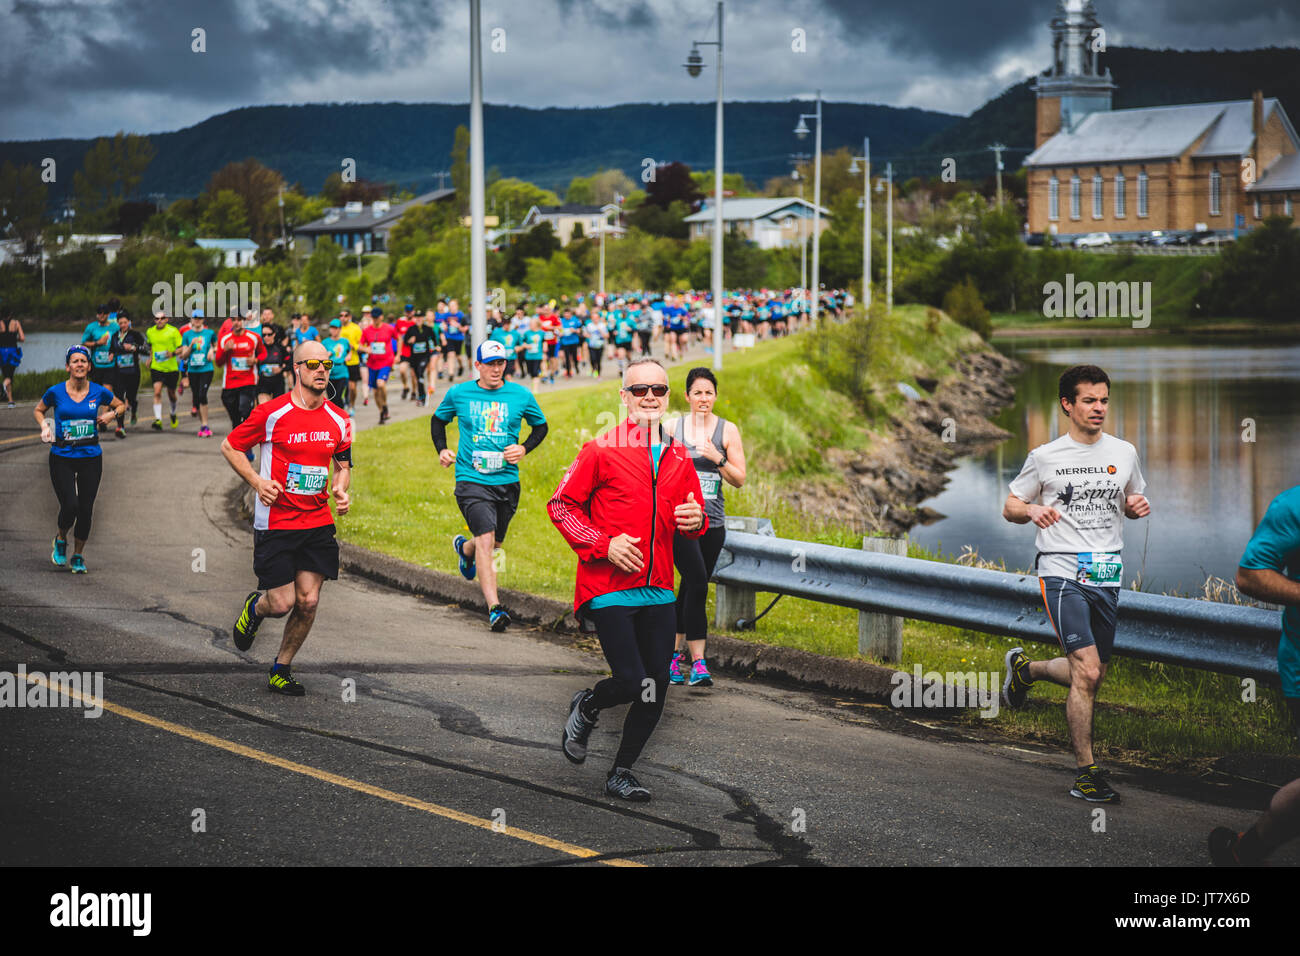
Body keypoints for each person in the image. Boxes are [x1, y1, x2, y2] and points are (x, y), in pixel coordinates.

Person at [550, 358, 707, 802]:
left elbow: (691, 517)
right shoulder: (600, 449)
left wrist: (694, 521)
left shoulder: (678, 454)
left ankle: (621, 772)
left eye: (659, 390)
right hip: (608, 585)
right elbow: (561, 506)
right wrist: (604, 544)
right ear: (625, 397)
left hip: (658, 586)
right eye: (640, 390)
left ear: (668, 396)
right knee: (633, 680)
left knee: (656, 684)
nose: (650, 397)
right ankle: (589, 704)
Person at [1000, 364, 1150, 804]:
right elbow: (1011, 504)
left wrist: (1136, 506)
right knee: (1086, 669)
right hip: (1060, 571)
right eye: (1089, 400)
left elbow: (1131, 498)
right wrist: (1030, 512)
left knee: (1094, 673)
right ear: (1067, 404)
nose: (1099, 408)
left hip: (1106, 571)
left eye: (1104, 400)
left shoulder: (1124, 452)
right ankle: (1087, 773)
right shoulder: (1046, 456)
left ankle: (1026, 671)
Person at [223, 341, 352, 696]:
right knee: (282, 603)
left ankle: (282, 667)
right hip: (276, 523)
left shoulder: (339, 419)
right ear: (296, 368)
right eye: (313, 364)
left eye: (326, 363)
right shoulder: (272, 413)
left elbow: (343, 464)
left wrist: (341, 488)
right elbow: (230, 446)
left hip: (317, 523)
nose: (321, 370)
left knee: (308, 602)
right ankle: (256, 607)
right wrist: (257, 481)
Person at [431, 340, 548, 631]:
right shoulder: (460, 393)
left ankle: (465, 549)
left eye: (500, 363)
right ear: (478, 366)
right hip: (471, 478)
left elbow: (541, 427)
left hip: (507, 481)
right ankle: (495, 608)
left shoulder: (520, 395)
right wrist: (442, 450)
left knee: (493, 542)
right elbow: (438, 420)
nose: (496, 369)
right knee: (486, 538)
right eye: (490, 364)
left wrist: (523, 449)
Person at [668, 368, 747, 687]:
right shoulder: (673, 427)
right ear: (687, 396)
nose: (704, 398)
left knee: (689, 587)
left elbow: (740, 479)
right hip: (683, 523)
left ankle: (672, 658)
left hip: (713, 523)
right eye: (697, 393)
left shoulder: (727, 431)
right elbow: (656, 467)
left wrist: (718, 459)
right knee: (698, 583)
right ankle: (699, 663)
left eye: (709, 393)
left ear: (715, 396)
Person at [34, 346, 126, 574]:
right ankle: (61, 537)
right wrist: (45, 425)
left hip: (90, 456)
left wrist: (110, 414)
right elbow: (39, 410)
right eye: (75, 361)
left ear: (89, 366)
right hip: (62, 456)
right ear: (67, 366)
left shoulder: (99, 391)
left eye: (83, 361)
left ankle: (78, 555)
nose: (79, 364)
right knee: (70, 505)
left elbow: (121, 405)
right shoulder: (55, 392)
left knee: (85, 509)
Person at [214, 311, 266, 446]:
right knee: (235, 417)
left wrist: (255, 360)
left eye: (239, 319)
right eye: (234, 320)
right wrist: (225, 350)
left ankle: (246, 443)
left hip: (248, 381)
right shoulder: (225, 339)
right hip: (230, 383)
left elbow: (263, 353)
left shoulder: (254, 337)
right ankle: (240, 442)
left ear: (244, 321)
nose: (236, 322)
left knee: (245, 409)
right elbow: (219, 363)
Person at [143, 311, 184, 431]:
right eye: (157, 319)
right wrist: (150, 359)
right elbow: (151, 347)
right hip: (157, 367)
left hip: (171, 368)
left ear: (167, 319)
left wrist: (172, 353)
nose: (159, 321)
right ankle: (158, 419)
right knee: (157, 392)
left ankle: (173, 412)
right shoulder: (150, 332)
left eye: (162, 318)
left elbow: (181, 349)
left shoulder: (173, 331)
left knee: (171, 394)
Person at [108, 310, 147, 437]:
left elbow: (146, 350)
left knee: (131, 397)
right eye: (120, 323)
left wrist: (134, 348)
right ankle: (120, 427)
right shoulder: (114, 336)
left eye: (125, 322)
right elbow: (112, 349)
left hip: (133, 372)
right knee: (119, 399)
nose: (123, 325)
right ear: (117, 323)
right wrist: (111, 354)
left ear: (129, 322)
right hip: (118, 372)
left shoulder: (135, 335)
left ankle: (134, 409)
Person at [360, 307, 399, 424]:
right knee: (376, 392)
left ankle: (385, 405)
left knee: (380, 383)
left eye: (377, 317)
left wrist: (398, 355)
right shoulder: (367, 331)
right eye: (373, 317)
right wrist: (366, 349)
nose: (375, 320)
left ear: (381, 317)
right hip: (372, 363)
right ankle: (382, 412)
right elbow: (360, 345)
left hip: (386, 361)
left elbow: (399, 338)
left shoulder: (388, 328)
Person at [180, 314, 217, 437]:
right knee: (197, 397)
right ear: (191, 320)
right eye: (195, 318)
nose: (197, 320)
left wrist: (212, 350)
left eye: (199, 318)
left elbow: (216, 345)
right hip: (193, 370)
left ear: (203, 320)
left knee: (202, 395)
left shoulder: (209, 333)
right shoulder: (187, 335)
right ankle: (203, 425)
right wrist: (191, 345)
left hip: (206, 369)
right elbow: (184, 355)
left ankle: (205, 424)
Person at [81, 305, 119, 400]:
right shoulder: (91, 327)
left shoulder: (115, 327)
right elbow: (84, 343)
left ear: (108, 314)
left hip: (111, 365)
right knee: (97, 393)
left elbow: (121, 341)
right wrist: (98, 343)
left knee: (107, 391)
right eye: (99, 313)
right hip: (96, 365)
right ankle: (104, 410)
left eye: (104, 313)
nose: (101, 315)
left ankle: (105, 414)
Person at [257, 325, 291, 404]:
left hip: (278, 382)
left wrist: (281, 369)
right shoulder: (258, 348)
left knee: (276, 409)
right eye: (264, 335)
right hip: (263, 383)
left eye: (269, 334)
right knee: (264, 407)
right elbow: (254, 365)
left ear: (274, 334)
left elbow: (289, 364)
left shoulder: (280, 348)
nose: (266, 337)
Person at [323, 320, 352, 408]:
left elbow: (349, 351)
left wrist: (348, 356)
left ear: (340, 329)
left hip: (342, 372)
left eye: (335, 328)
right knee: (332, 399)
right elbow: (319, 357)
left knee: (339, 397)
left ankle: (343, 416)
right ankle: (335, 419)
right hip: (330, 373)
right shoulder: (325, 342)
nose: (333, 330)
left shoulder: (345, 341)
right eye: (332, 328)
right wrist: (326, 355)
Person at [338, 308, 363, 412]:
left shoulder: (356, 328)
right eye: (341, 316)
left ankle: (352, 405)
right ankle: (342, 405)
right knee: (341, 387)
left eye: (346, 315)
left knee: (352, 387)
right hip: (341, 362)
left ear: (350, 317)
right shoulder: (338, 329)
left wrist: (354, 346)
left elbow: (362, 345)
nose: (343, 318)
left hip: (353, 361)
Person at [0, 311, 24, 407]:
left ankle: (10, 401)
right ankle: (3, 386)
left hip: (1, 351)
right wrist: (15, 339)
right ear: (11, 314)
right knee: (10, 376)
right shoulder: (16, 323)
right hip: (12, 351)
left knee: (6, 375)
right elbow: (22, 338)